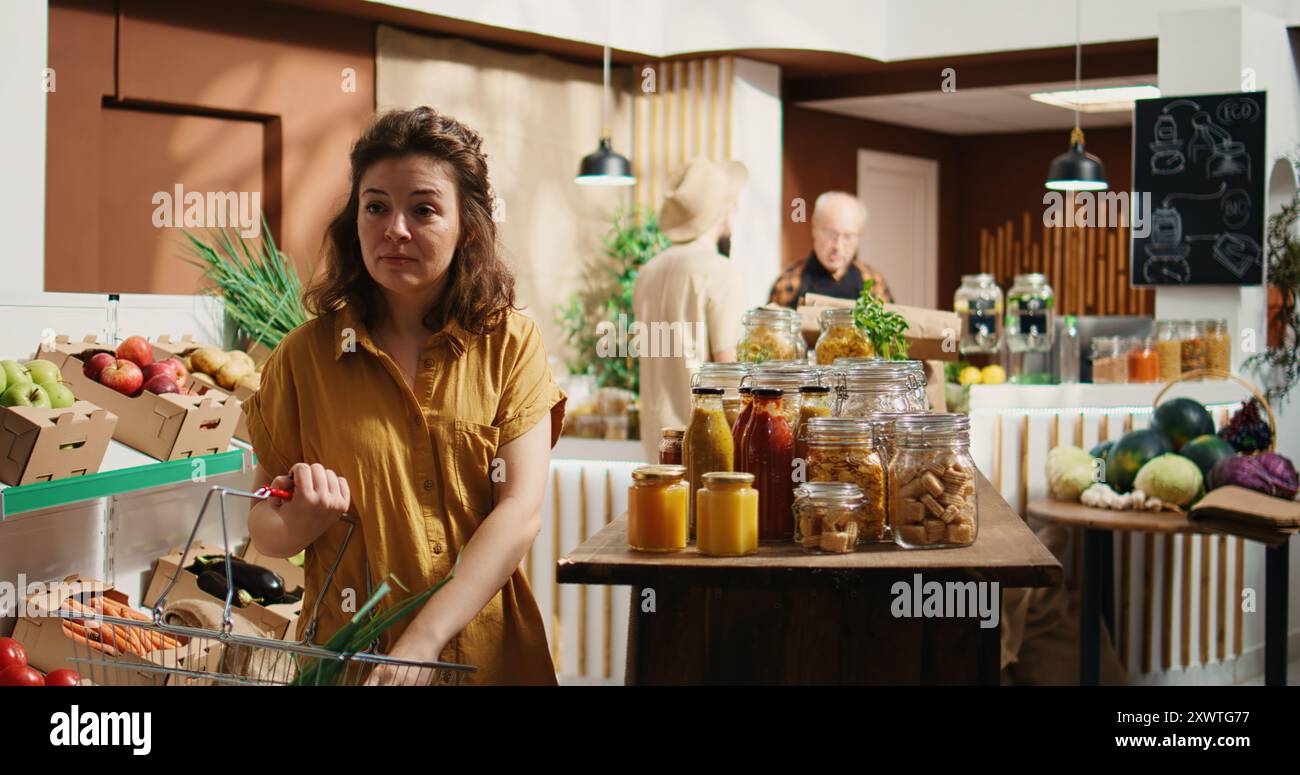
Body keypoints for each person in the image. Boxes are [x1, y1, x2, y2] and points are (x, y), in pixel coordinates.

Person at [243, 107, 566, 685]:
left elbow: (520, 513)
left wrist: (420, 640)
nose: (395, 229)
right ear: (355, 221)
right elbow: (262, 520)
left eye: (424, 209)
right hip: (349, 662)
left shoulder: (509, 345)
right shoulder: (303, 358)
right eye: (376, 207)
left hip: (483, 659)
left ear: (467, 227)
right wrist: (299, 522)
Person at [632, 157, 748, 463]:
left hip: (656, 441)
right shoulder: (721, 272)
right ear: (723, 212)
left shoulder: (647, 273)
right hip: (705, 439)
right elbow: (728, 369)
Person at [769, 191, 894, 307]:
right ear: (814, 228)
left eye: (848, 236)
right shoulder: (789, 282)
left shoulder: (873, 283)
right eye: (830, 234)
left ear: (859, 235)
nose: (837, 246)